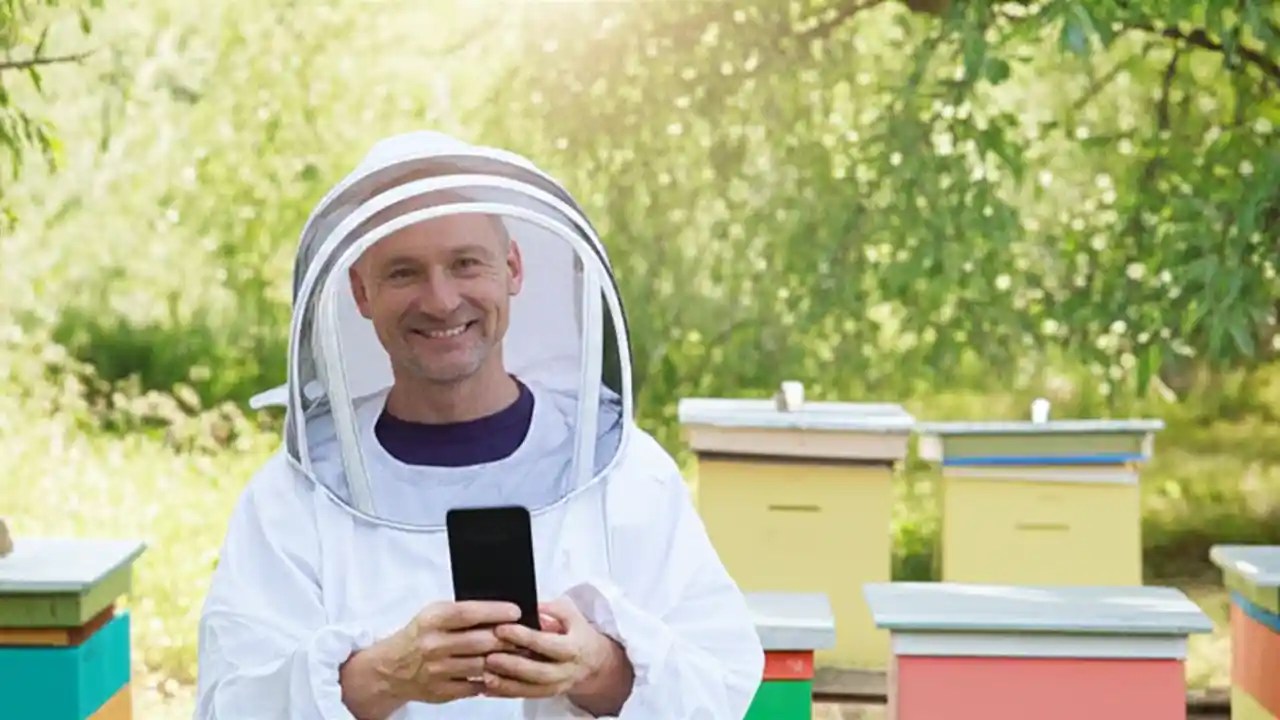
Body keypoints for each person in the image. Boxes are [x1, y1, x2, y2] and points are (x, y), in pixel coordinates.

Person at [194, 131, 765, 719]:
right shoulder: (292, 499)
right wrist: (386, 676)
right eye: (403, 272)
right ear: (360, 293)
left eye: (466, 263)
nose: (441, 301)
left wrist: (598, 666)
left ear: (512, 268)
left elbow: (720, 684)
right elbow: (231, 702)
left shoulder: (626, 474)